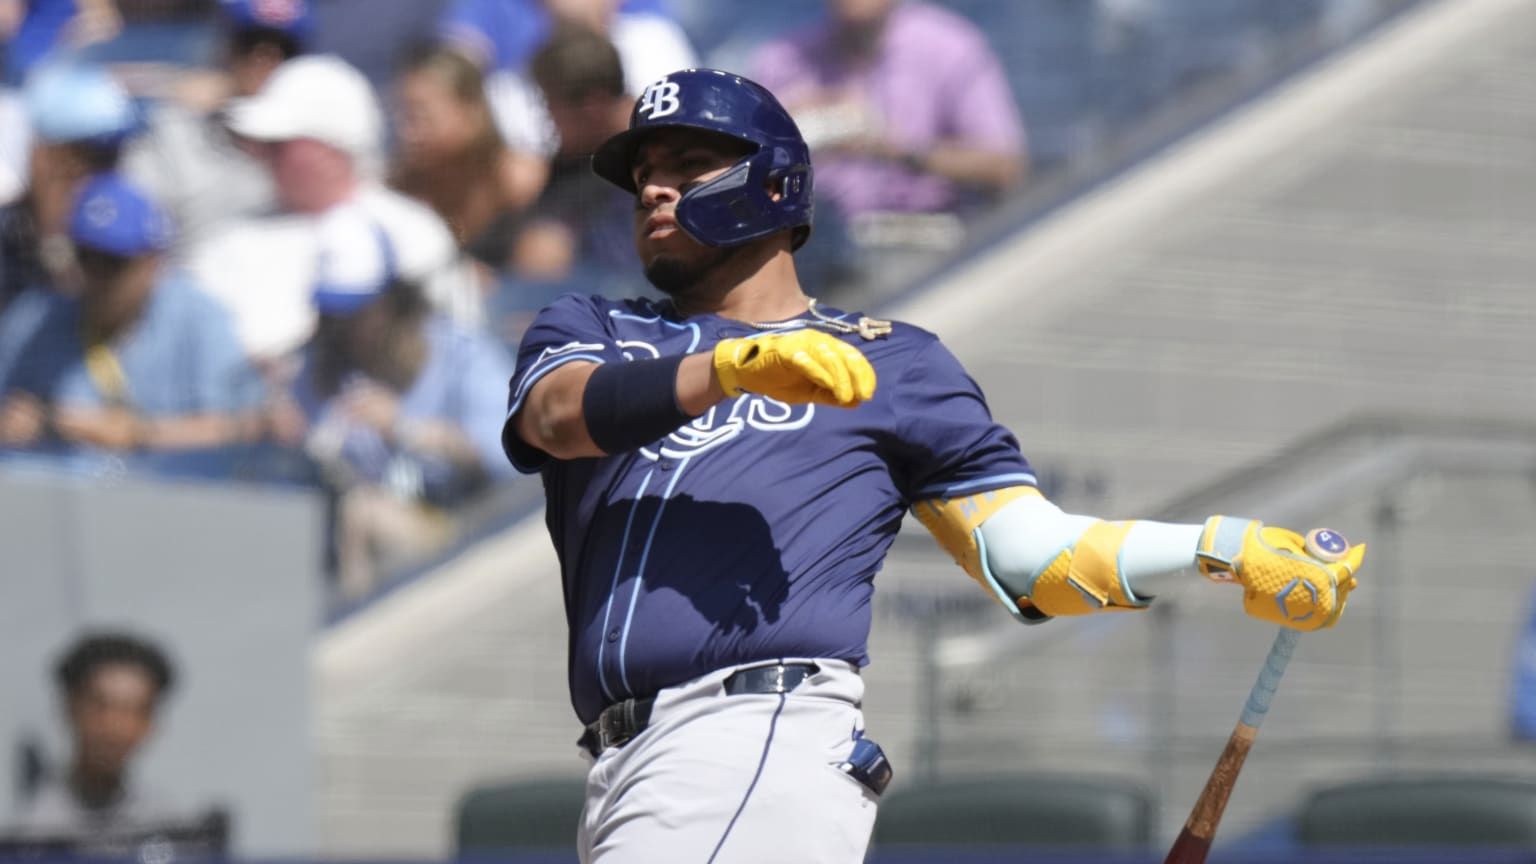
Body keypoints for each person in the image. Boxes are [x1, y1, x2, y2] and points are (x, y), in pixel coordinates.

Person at [499, 68, 1366, 862]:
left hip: (754, 730)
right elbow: (557, 416)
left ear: (774, 183)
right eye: (645, 170)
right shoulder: (598, 328)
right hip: (627, 763)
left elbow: (1031, 559)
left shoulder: (894, 363)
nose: (653, 186)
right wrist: (728, 369)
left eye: (689, 164)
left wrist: (1220, 545)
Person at [277, 205, 517, 599]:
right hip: (372, 545)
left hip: (479, 531)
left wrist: (404, 427)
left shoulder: (463, 355)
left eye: (355, 310)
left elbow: (512, 460)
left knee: (366, 514)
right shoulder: (318, 375)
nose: (343, 328)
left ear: (392, 300)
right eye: (333, 312)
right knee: (359, 513)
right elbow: (314, 472)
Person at [186, 53, 483, 368]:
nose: (264, 153)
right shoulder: (229, 239)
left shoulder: (414, 232)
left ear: (332, 148)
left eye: (281, 143)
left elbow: (454, 351)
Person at [0, 173, 259, 458]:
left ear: (152, 262)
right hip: (50, 493)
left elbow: (243, 427)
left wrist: (138, 434)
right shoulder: (33, 318)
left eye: (113, 263)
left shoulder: (199, 318)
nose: (96, 275)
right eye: (85, 256)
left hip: (170, 494)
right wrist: (17, 424)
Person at [750, 0, 1027, 220]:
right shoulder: (782, 61)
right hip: (818, 241)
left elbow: (1004, 165)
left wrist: (894, 149)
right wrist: (782, 134)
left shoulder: (949, 46)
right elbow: (739, 182)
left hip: (929, 232)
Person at [8, 631, 181, 839]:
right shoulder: (29, 834)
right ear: (70, 707)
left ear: (151, 723)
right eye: (102, 707)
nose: (117, 727)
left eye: (136, 711)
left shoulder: (169, 828)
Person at [388, 43, 529, 271]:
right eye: (401, 113)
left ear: (472, 108)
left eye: (419, 114)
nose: (407, 131)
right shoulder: (400, 190)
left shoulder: (519, 182)